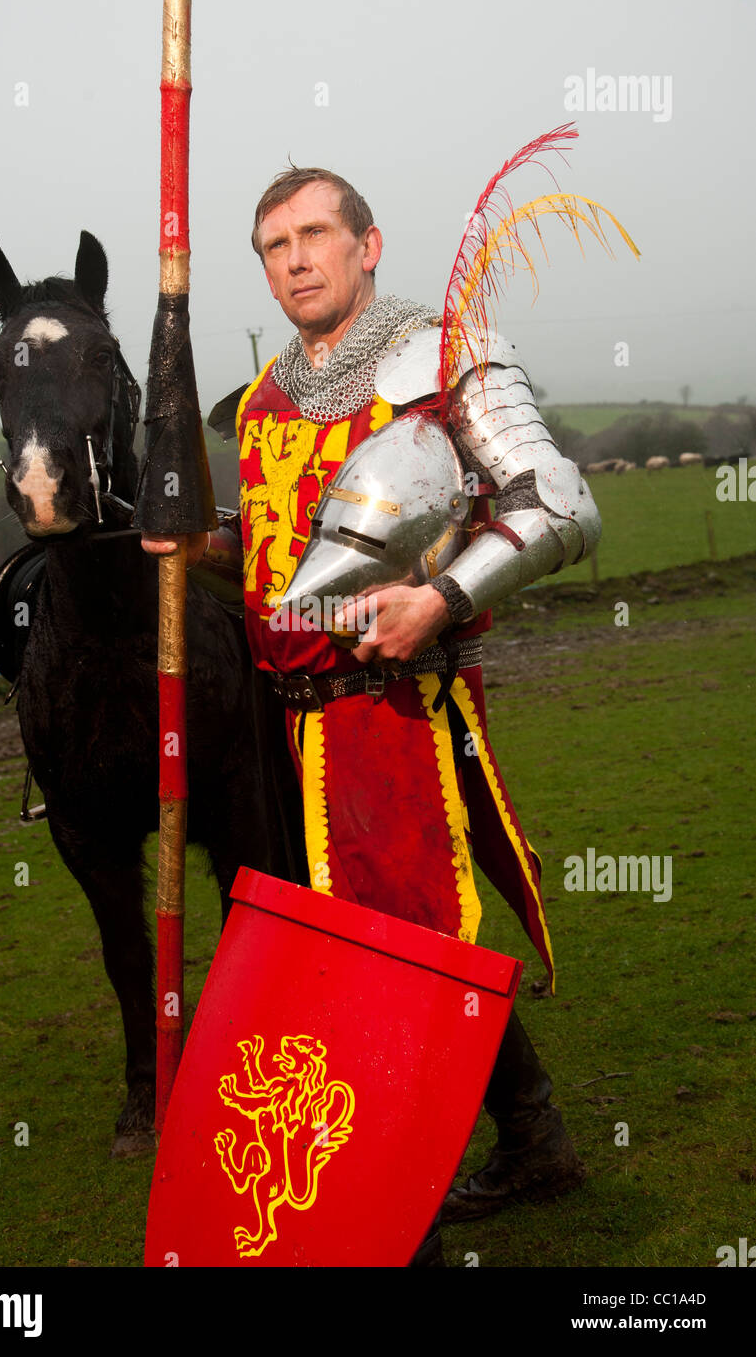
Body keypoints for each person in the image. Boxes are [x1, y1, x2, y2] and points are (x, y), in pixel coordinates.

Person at [141, 166, 589, 1257]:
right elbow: (292, 562)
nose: (292, 259)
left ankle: (405, 1211)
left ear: (367, 243)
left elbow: (564, 505)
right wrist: (197, 552)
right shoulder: (258, 402)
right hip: (279, 728)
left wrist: (441, 597)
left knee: (396, 964)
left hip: (390, 715)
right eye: (270, 246)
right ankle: (531, 1137)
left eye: (312, 235)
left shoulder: (444, 357)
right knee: (372, 954)